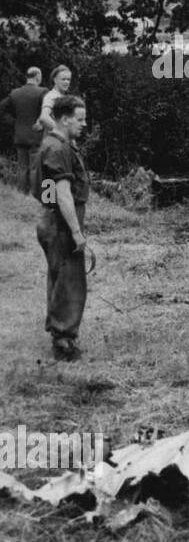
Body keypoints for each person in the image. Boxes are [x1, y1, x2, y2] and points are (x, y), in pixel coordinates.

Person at [34, 95, 90, 361]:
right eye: (79, 119)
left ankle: (60, 334)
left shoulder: (54, 143)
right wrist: (77, 232)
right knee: (70, 281)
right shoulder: (58, 148)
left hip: (52, 220)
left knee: (60, 278)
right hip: (61, 223)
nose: (84, 124)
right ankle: (63, 340)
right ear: (65, 119)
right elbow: (63, 193)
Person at [0, 67, 46, 193]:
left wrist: (14, 122)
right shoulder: (42, 92)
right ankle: (33, 195)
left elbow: (1, 110)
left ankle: (21, 194)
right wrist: (41, 122)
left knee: (22, 168)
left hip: (20, 135)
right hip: (36, 136)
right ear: (37, 76)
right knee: (34, 168)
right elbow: (49, 111)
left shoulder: (15, 93)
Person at [37, 65, 73, 133]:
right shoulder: (51, 96)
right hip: (53, 140)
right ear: (55, 80)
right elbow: (43, 117)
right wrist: (60, 130)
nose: (66, 82)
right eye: (63, 79)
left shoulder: (63, 97)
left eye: (68, 79)